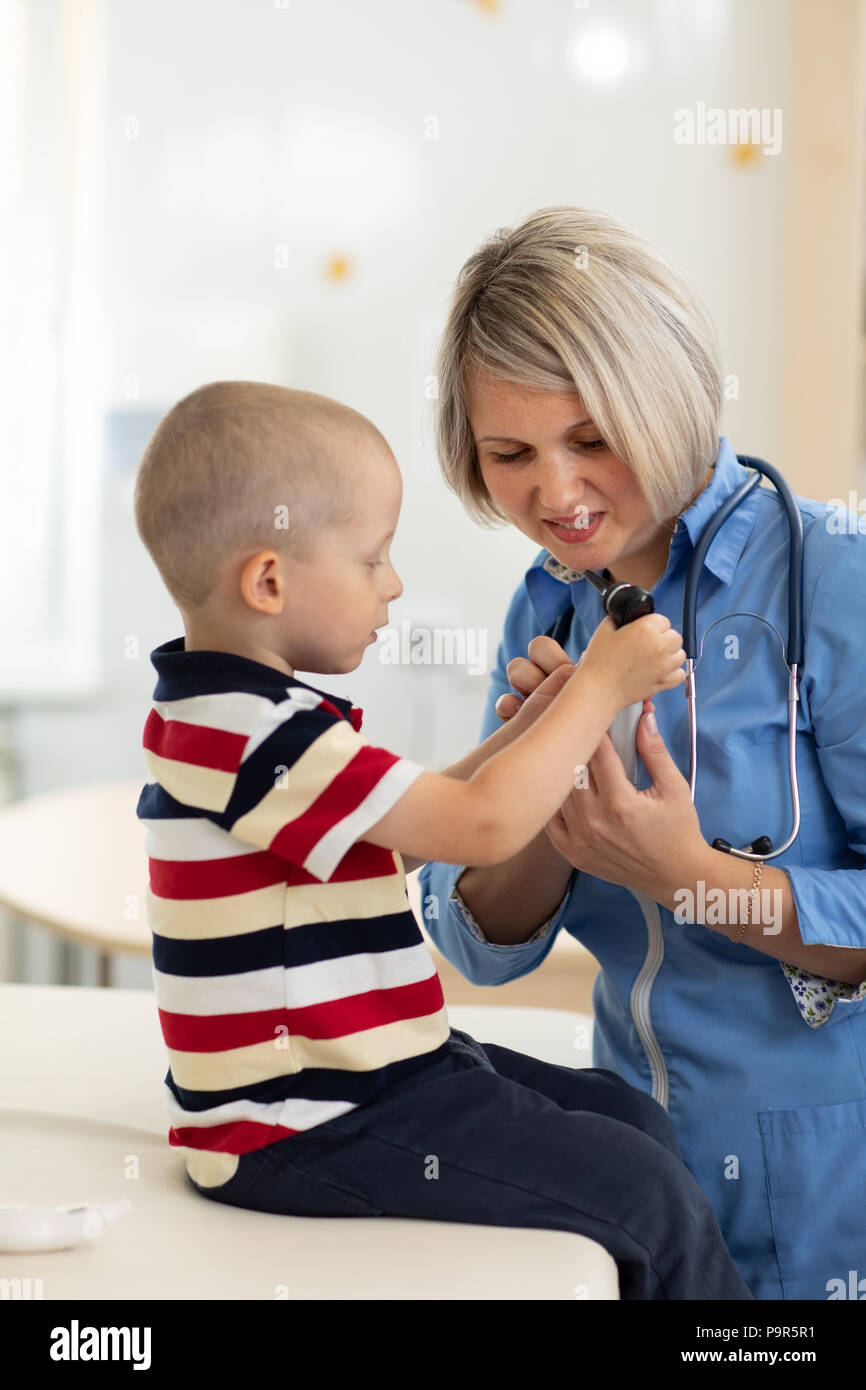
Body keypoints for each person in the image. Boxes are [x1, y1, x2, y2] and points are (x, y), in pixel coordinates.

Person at [132, 377, 753, 1301]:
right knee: (652, 1197)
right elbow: (483, 828)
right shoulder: (258, 734)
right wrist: (599, 693)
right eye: (373, 559)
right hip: (307, 1124)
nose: (395, 584)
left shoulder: (240, 716)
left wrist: (544, 718)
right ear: (268, 580)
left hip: (373, 1076)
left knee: (629, 1120)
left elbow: (412, 823)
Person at [419, 204, 866, 1301]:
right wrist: (552, 782)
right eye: (509, 455)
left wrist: (684, 878)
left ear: (663, 404)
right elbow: (478, 941)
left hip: (826, 1192)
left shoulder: (834, 583)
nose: (555, 496)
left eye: (590, 440)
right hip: (629, 1177)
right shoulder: (549, 601)